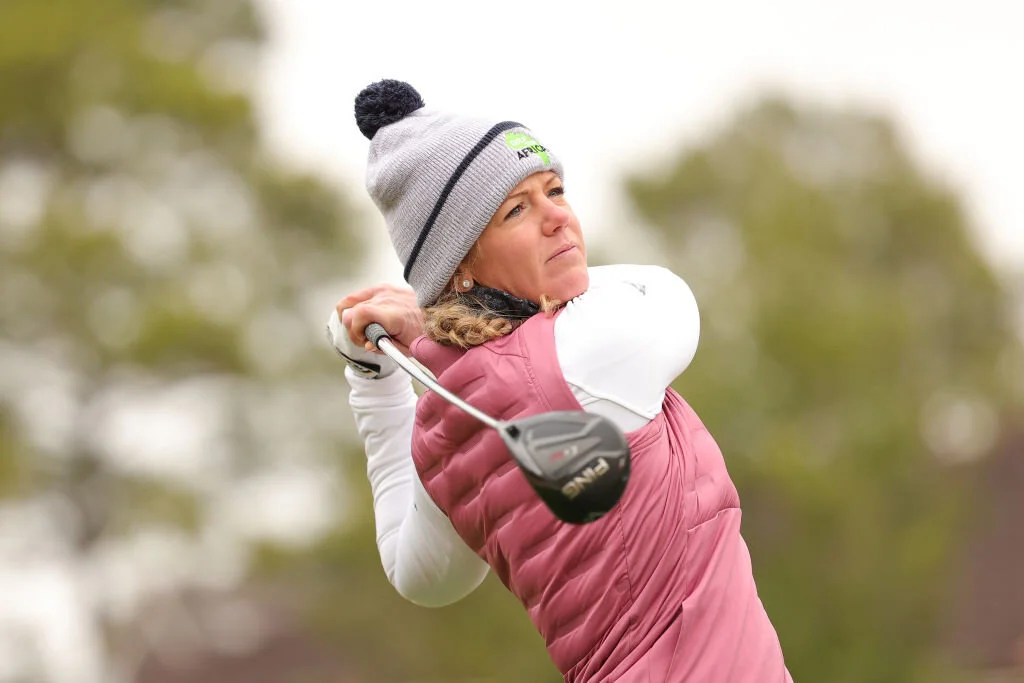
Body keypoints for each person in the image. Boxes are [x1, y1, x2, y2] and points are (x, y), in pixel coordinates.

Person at [328, 79, 792, 682]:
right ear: (459, 263)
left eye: (555, 190)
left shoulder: (444, 425)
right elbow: (673, 295)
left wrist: (376, 377)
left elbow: (420, 576)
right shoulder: (589, 349)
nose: (558, 219)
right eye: (516, 210)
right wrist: (429, 319)